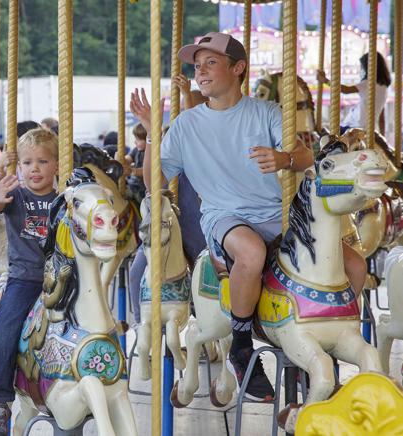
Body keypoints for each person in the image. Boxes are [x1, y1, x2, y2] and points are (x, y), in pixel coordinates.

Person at [130, 31, 368, 401]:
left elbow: (307, 158)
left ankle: (325, 332)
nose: (201, 72)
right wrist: (150, 131)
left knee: (354, 266)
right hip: (225, 216)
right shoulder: (186, 125)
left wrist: (284, 160)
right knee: (252, 253)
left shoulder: (267, 113)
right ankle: (241, 345)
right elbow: (155, 181)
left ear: (238, 68)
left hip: (277, 213)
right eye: (197, 65)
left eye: (211, 63)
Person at [0, 128, 58, 434]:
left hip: (61, 279)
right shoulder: (16, 195)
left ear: (56, 165)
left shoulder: (65, 197)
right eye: (26, 163)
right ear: (19, 167)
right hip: (25, 279)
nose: (34, 168)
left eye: (42, 161)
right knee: (6, 327)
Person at [317, 51, 391, 132]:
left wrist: (325, 81)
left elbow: (345, 90)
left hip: (357, 126)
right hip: (370, 128)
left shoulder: (367, 83)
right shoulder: (384, 88)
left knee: (326, 135)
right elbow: (381, 118)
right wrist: (382, 136)